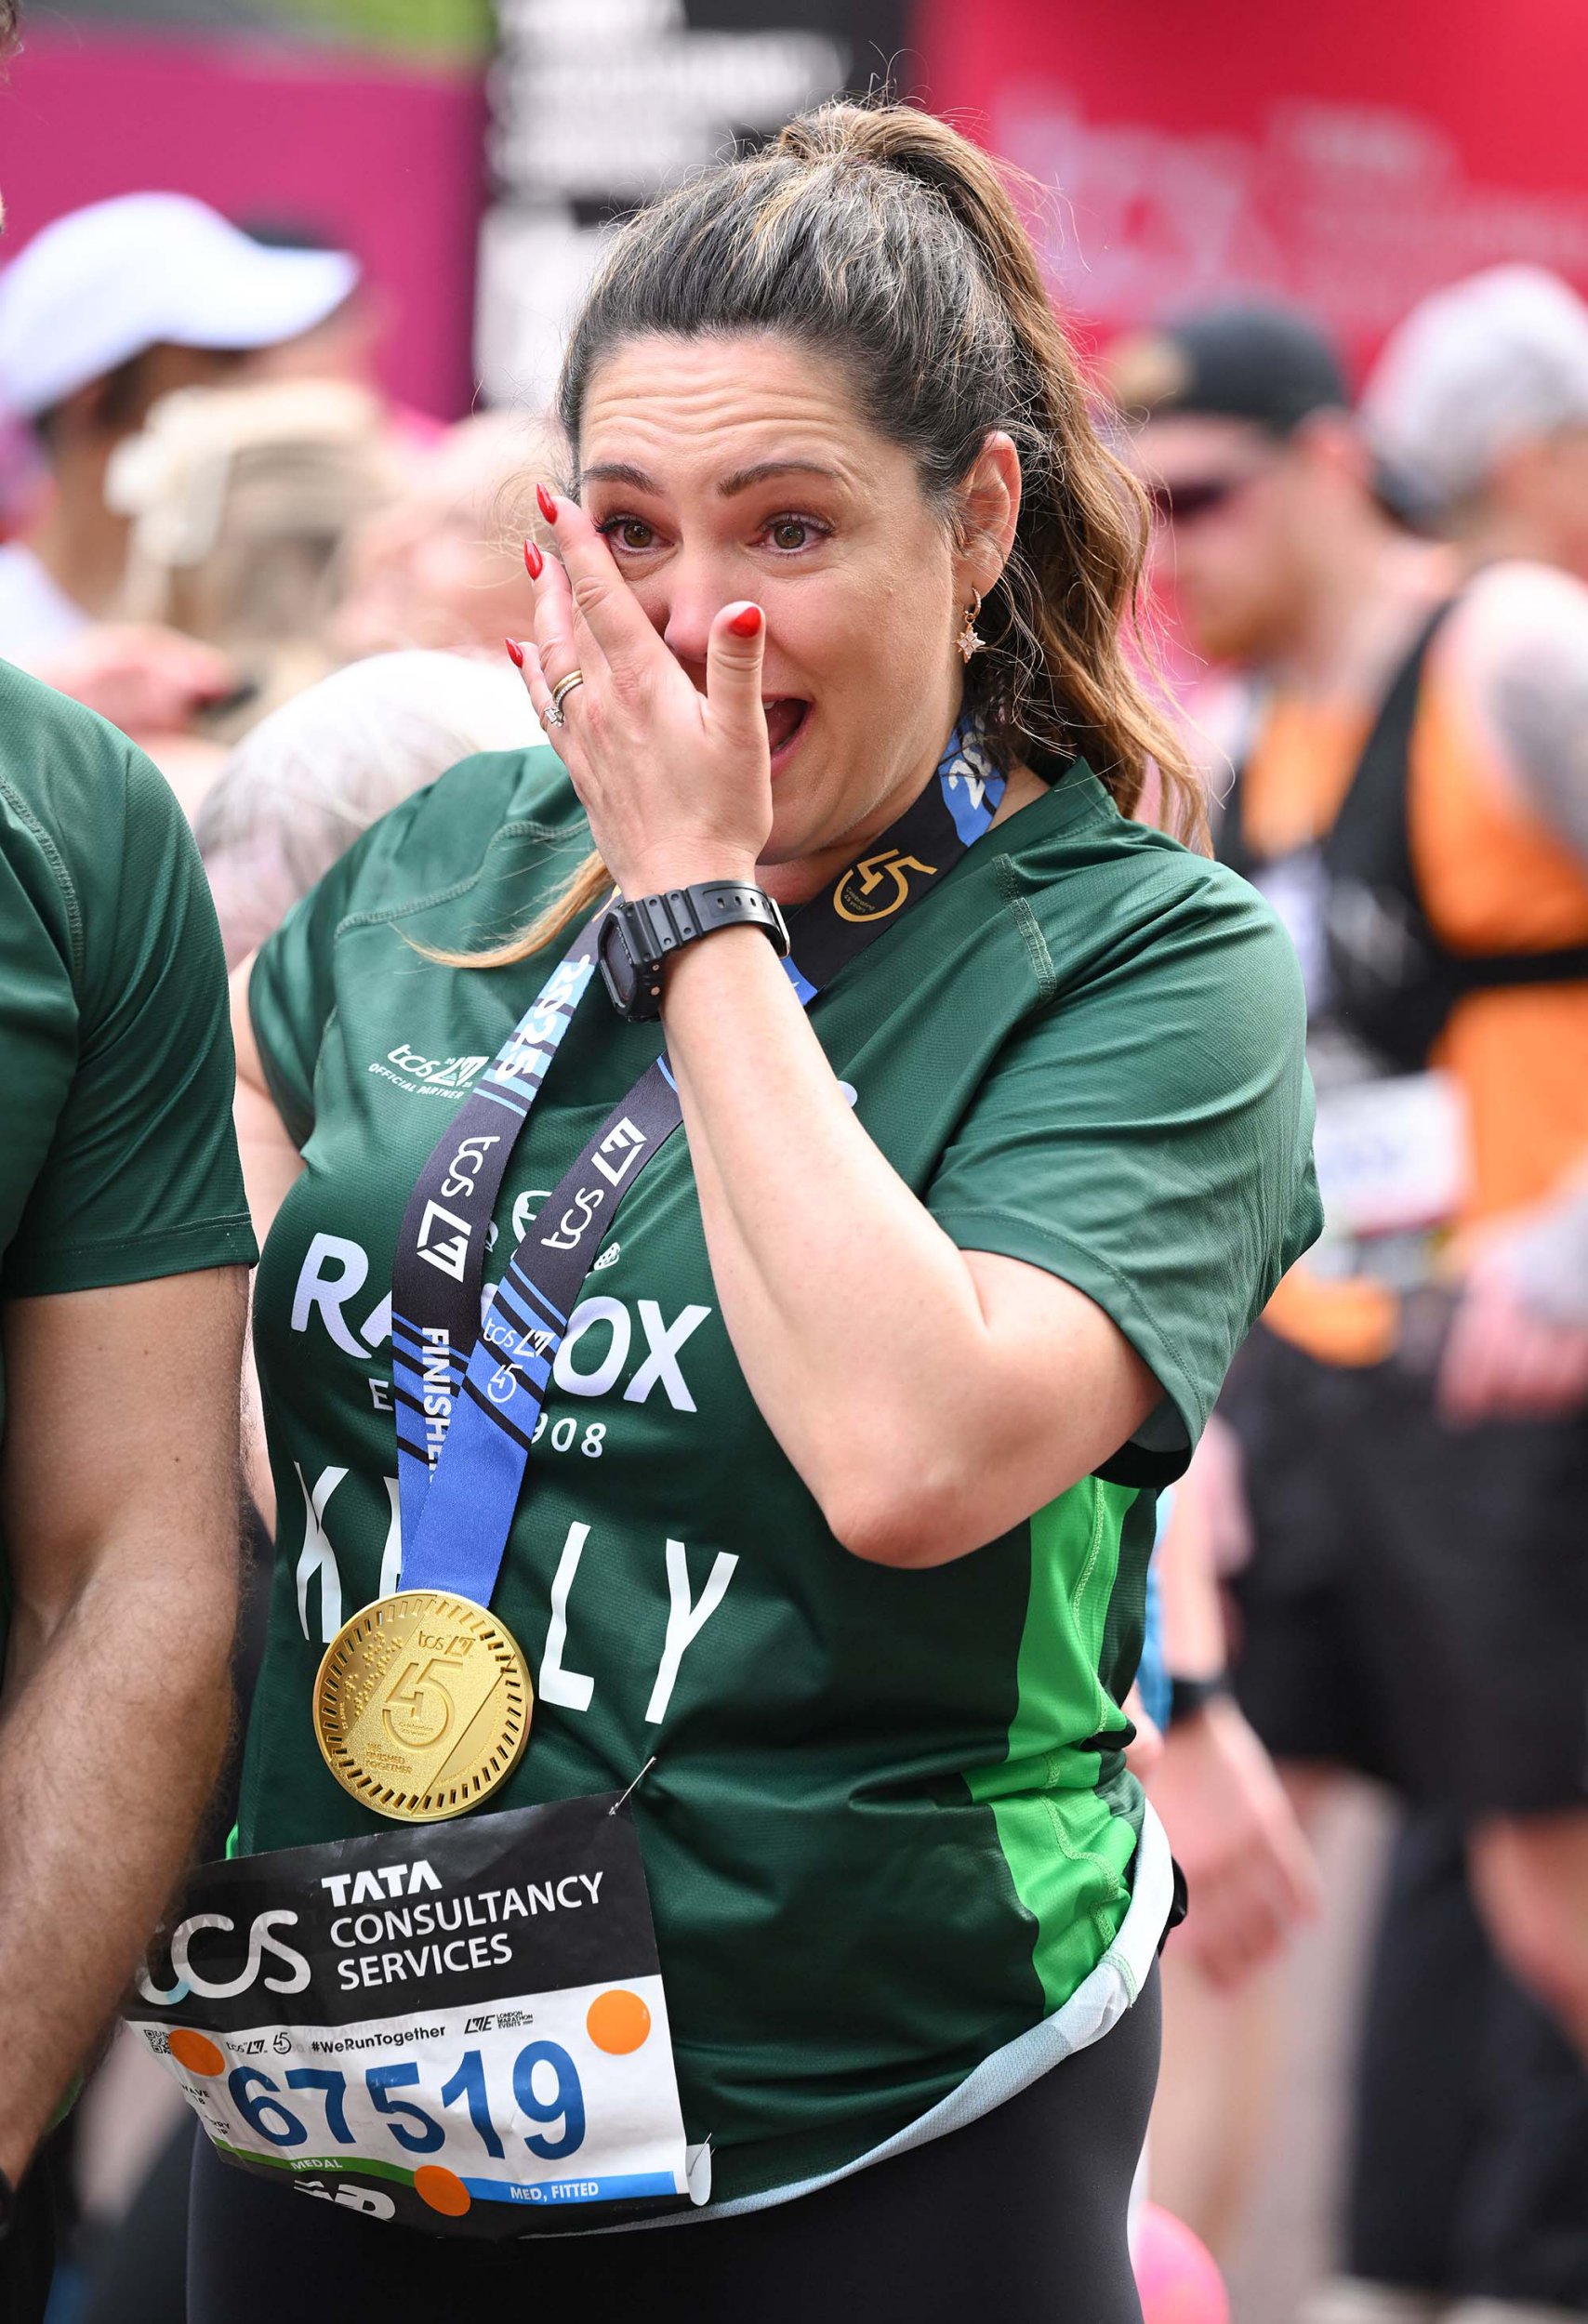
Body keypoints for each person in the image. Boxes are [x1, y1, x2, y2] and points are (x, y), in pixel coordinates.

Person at [191, 102, 1316, 2323]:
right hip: (367, 2070)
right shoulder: (446, 863)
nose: (700, 619)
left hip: (868, 2111)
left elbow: (912, 1457)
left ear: (978, 516)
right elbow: (264, 1194)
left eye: (786, 526)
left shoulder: (1145, 960)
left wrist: (700, 904)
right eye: (628, 531)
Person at [1121, 297, 1588, 2324]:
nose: (1171, 555)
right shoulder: (1235, 735)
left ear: (1327, 457)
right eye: (1137, 517)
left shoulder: (1513, 650)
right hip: (1314, 1379)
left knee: (1544, 1896)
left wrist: (1570, 1243)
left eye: (1204, 498)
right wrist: (1199, 1397)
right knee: (1182, 1886)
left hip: (1513, 1374)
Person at [0, 191, 358, 659]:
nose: (266, 381)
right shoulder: (16, 652)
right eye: (223, 356)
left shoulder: (324, 615)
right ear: (93, 399)